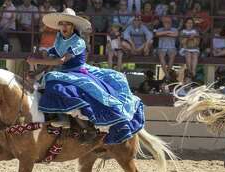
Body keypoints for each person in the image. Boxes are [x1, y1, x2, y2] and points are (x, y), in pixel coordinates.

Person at [26, 9, 144, 145]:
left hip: (78, 72)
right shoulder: (59, 40)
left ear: (73, 27)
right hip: (65, 73)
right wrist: (35, 72)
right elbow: (53, 58)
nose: (64, 27)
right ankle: (59, 117)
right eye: (62, 24)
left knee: (55, 80)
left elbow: (60, 61)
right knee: (50, 79)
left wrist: (37, 61)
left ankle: (84, 127)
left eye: (68, 24)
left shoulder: (78, 42)